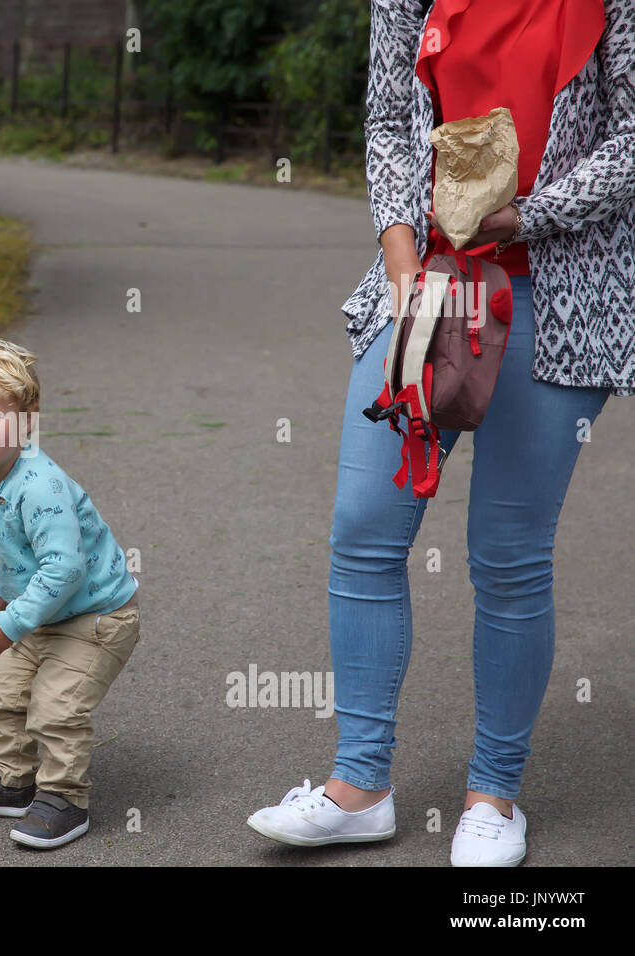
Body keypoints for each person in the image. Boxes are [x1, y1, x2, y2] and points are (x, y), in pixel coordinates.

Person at [247, 0, 633, 866]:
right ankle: (359, 789)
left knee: (507, 551)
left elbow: (631, 133)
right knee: (363, 528)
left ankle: (493, 797)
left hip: (558, 291)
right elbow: (389, 118)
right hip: (426, 277)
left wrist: (523, 216)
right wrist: (400, 262)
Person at [0, 337, 140, 849]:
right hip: (38, 610)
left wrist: (12, 624)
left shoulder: (39, 485)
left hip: (96, 617)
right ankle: (14, 782)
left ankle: (64, 798)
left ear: (28, 419)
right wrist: (1, 593)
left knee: (56, 707)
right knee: (1, 690)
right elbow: (5, 547)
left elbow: (64, 570)